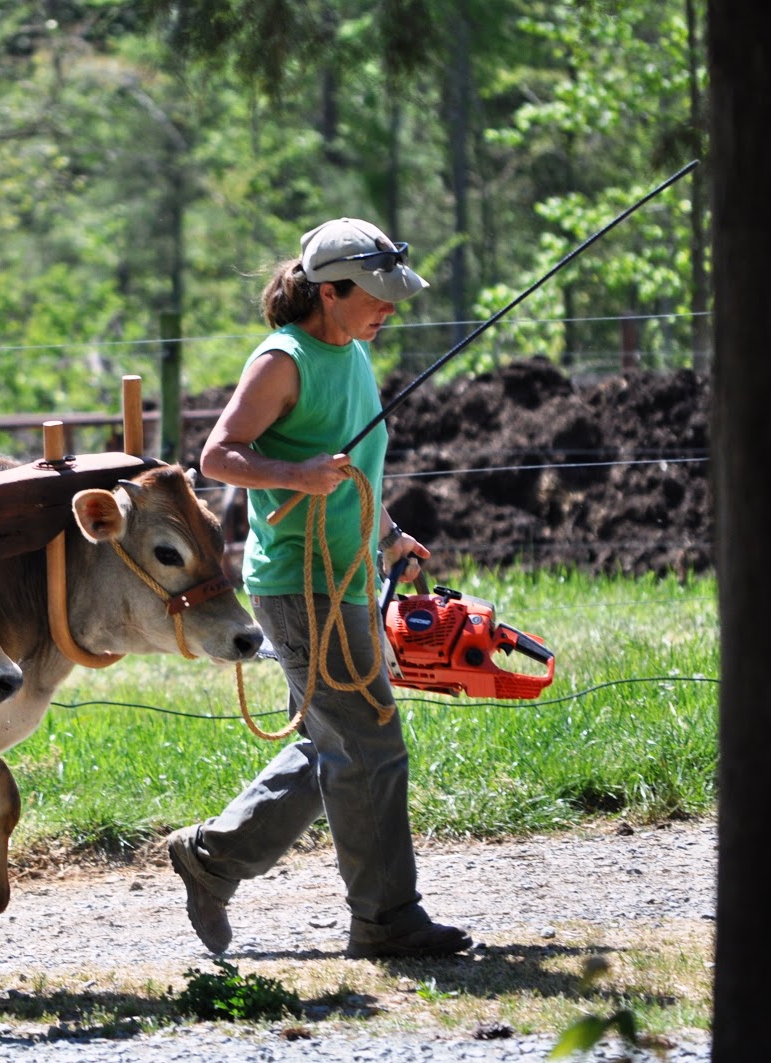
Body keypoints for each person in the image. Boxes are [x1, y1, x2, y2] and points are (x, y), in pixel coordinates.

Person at [168, 217, 472, 960]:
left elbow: (353, 467)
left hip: (350, 577)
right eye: (373, 295)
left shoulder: (353, 352)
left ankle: (212, 858)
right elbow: (218, 456)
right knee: (371, 744)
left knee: (335, 741)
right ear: (328, 292)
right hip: (298, 586)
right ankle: (387, 919)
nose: (388, 309)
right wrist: (294, 478)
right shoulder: (284, 360)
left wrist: (387, 531)